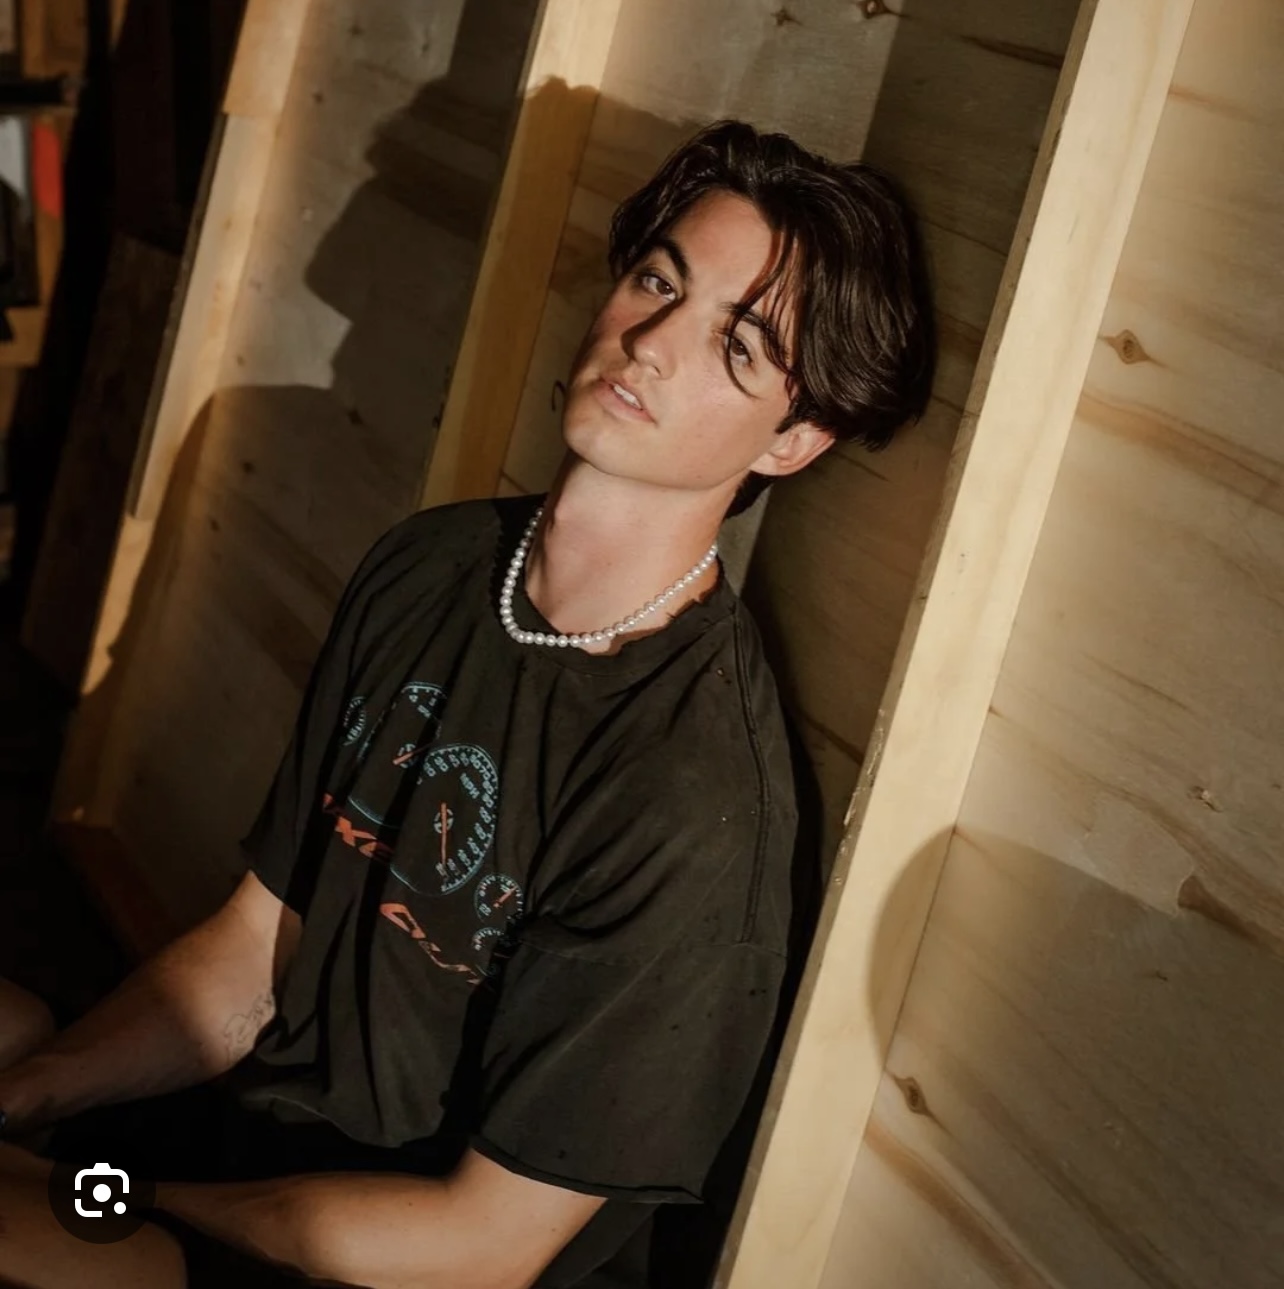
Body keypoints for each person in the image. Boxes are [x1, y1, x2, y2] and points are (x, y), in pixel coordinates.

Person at [0, 118, 933, 1287]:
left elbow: (480, 1244)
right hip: (252, 1145)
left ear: (792, 441)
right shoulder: (434, 564)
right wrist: (29, 1099)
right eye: (659, 282)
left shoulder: (694, 794)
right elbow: (252, 952)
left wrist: (114, 1195)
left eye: (735, 346)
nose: (650, 344)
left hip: (384, 1248)